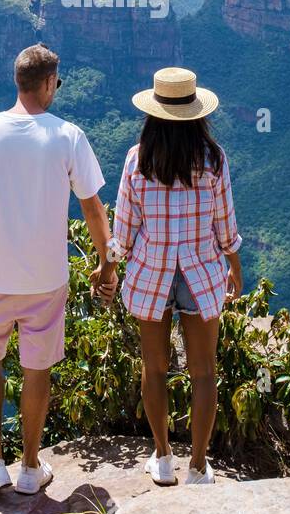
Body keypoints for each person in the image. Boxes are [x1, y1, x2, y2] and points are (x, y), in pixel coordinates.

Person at [0, 44, 113, 497]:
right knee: (37, 368)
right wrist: (105, 262)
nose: (55, 90)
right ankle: (30, 467)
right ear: (45, 84)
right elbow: (94, 209)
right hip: (46, 278)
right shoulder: (68, 136)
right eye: (56, 83)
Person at [101, 66, 243, 486]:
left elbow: (123, 231)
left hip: (150, 274)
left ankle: (162, 458)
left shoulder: (138, 158)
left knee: (154, 369)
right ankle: (198, 466)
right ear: (197, 113)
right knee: (204, 373)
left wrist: (108, 267)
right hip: (200, 274)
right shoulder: (213, 159)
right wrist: (234, 266)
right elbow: (225, 225)